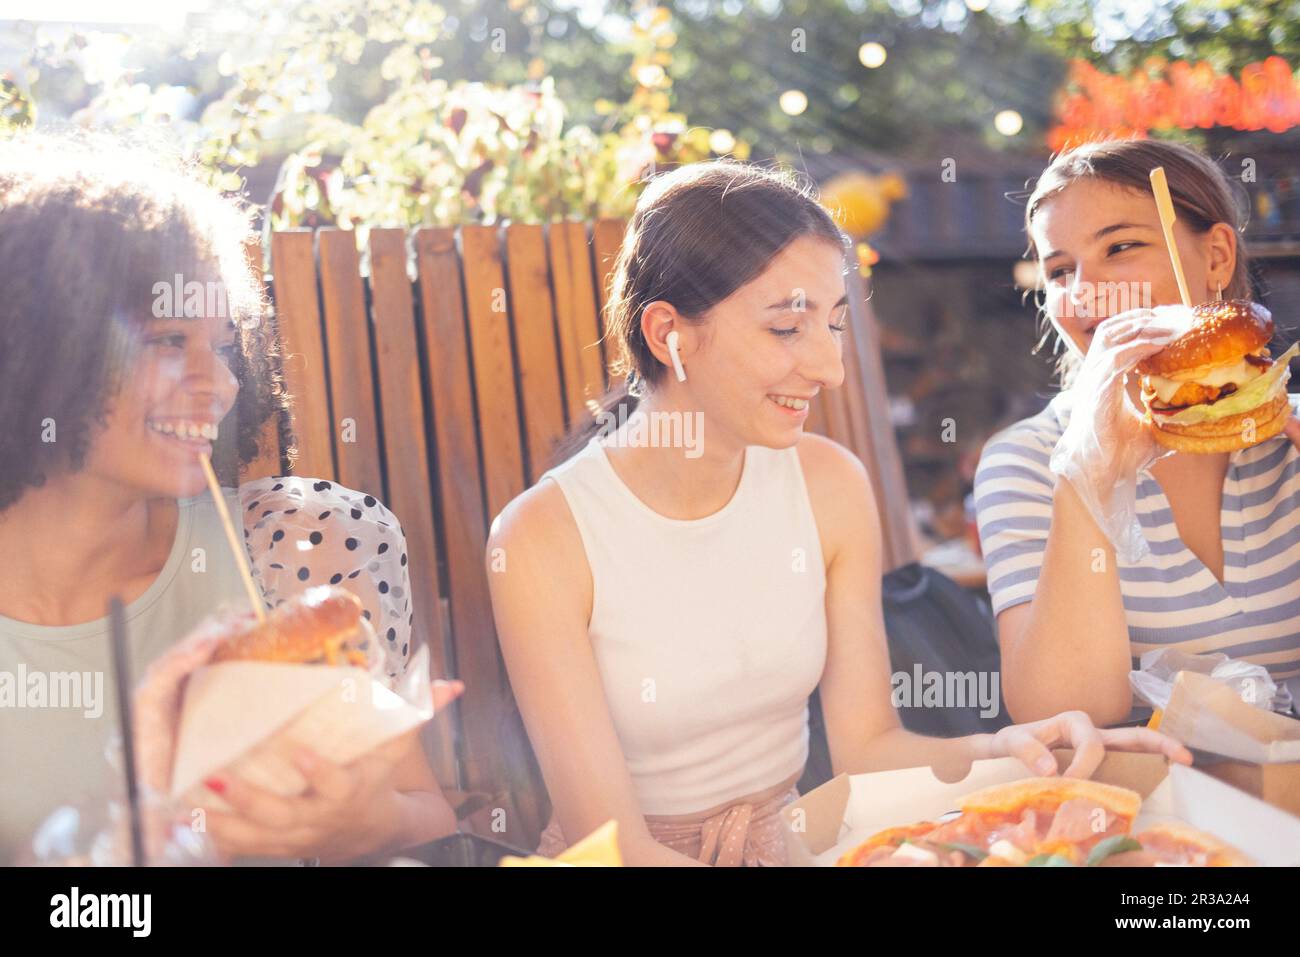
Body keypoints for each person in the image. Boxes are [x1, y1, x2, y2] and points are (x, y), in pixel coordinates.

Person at [485, 160, 1192, 867]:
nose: (830, 369)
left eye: (833, 324)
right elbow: (606, 846)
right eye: (788, 328)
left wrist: (1016, 752)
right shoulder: (543, 537)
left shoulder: (830, 484)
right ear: (670, 333)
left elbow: (868, 748)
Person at [0, 131, 458, 864]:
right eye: (167, 340)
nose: (223, 385)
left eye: (220, 343)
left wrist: (355, 825)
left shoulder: (297, 547)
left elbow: (429, 819)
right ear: (36, 350)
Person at [975, 138, 1300, 728]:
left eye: (1120, 247)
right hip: (1155, 808)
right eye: (1061, 271)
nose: (1086, 292)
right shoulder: (1025, 461)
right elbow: (1062, 716)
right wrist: (1088, 474)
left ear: (1217, 257)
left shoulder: (1290, 437)